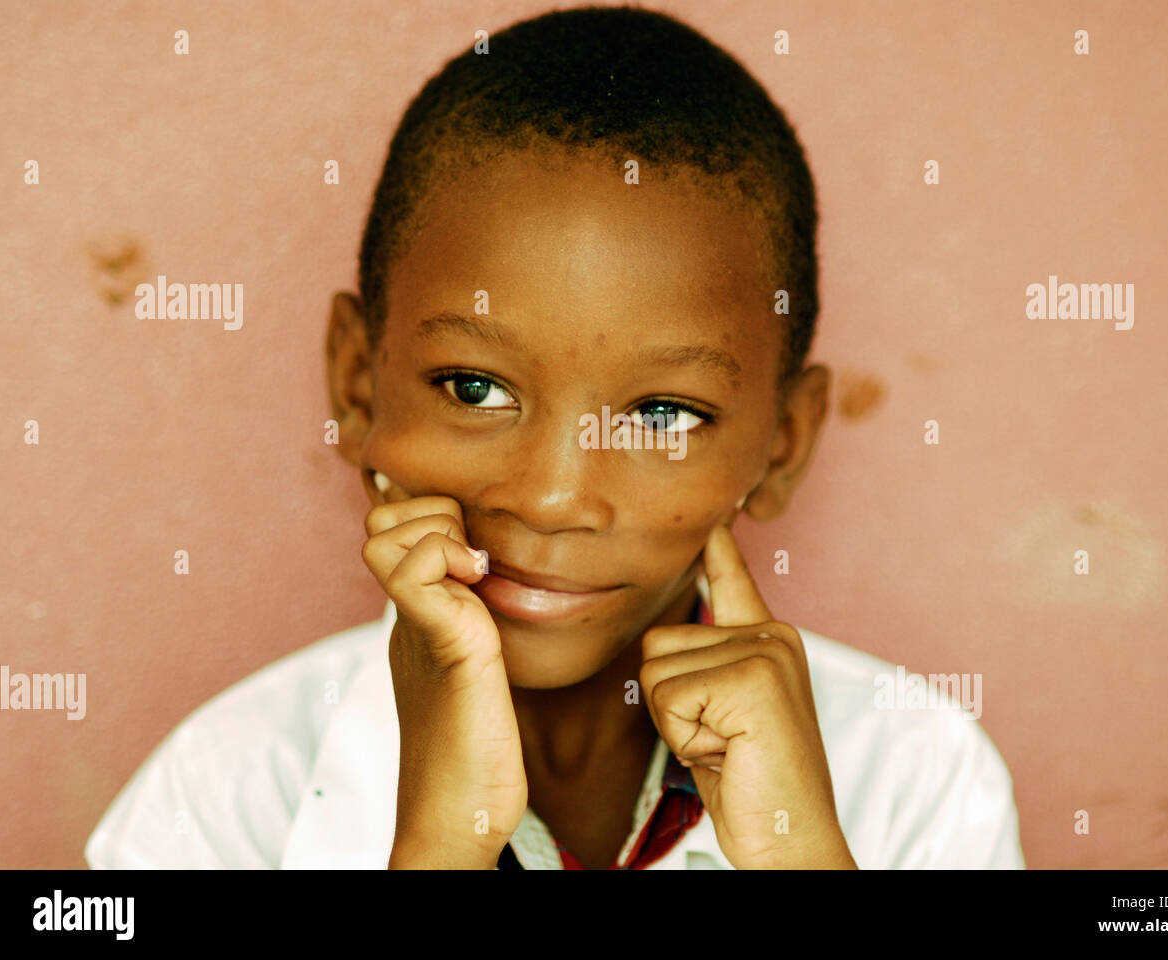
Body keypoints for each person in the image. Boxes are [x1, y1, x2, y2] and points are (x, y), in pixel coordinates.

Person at [86, 5, 1024, 870]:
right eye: (476, 387)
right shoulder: (218, 799)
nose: (551, 496)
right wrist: (438, 844)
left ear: (781, 447)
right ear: (356, 384)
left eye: (662, 415)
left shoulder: (916, 779)